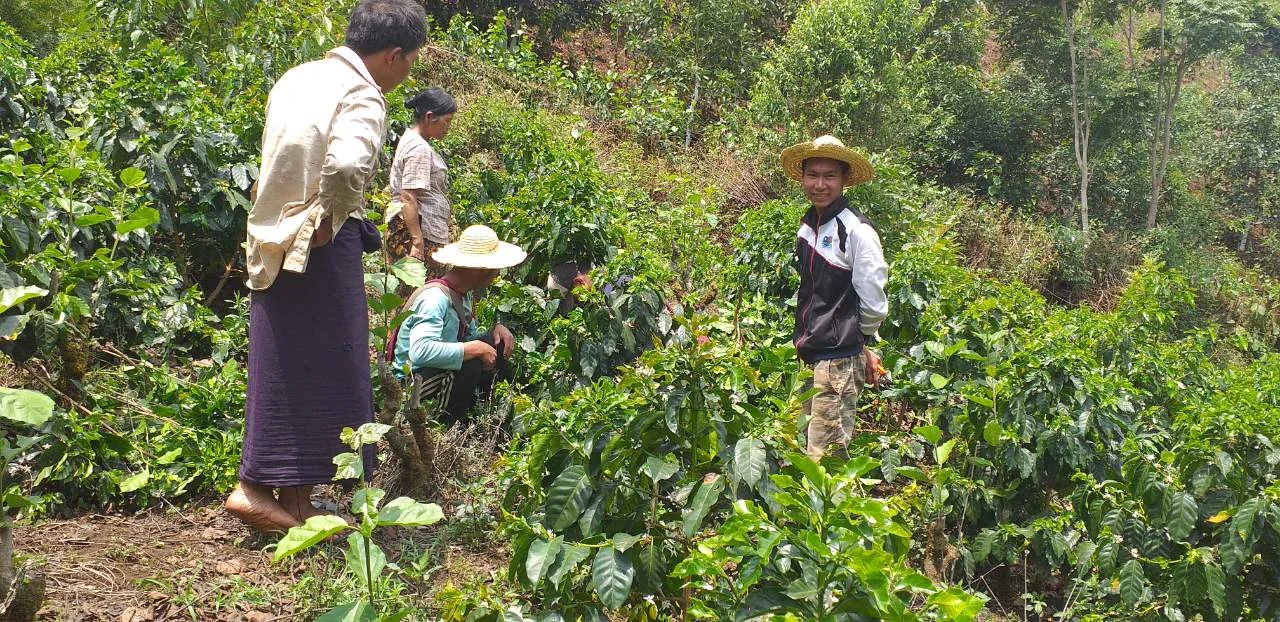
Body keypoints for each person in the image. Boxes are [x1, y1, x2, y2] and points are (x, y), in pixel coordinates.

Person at [226, 0, 427, 534]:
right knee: (333, 370)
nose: (405, 75)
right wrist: (329, 218)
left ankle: (293, 504)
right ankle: (251, 489)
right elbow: (345, 164)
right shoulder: (363, 92)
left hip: (272, 237)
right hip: (318, 242)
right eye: (408, 62)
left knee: (291, 367)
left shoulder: (298, 77)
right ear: (393, 54)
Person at [780, 135, 888, 460]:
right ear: (802, 177)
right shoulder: (808, 225)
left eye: (829, 176)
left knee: (824, 460)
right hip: (810, 356)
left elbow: (873, 302)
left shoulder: (856, 231)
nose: (820, 184)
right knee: (795, 450)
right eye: (812, 175)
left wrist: (859, 340)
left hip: (836, 361)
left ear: (844, 180)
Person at [391, 225, 526, 424]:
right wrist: (474, 349)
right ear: (482, 269)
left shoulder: (463, 294)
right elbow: (420, 352)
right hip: (412, 386)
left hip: (434, 373)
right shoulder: (435, 300)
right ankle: (449, 423)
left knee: (493, 343)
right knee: (471, 360)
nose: (498, 272)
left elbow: (467, 337)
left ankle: (487, 415)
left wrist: (495, 330)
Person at [385, 87, 457, 277]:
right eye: (447, 121)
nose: (448, 127)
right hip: (417, 234)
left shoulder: (412, 141)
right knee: (418, 294)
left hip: (418, 232)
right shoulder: (419, 148)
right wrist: (417, 243)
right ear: (430, 116)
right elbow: (408, 197)